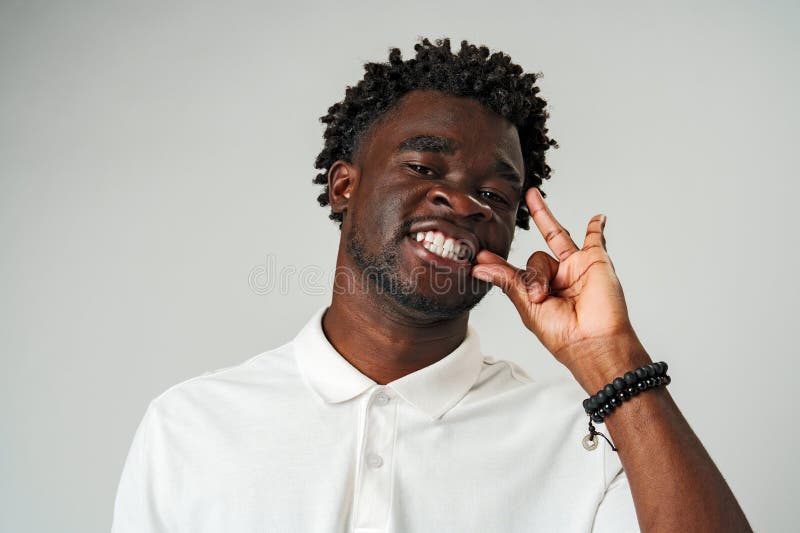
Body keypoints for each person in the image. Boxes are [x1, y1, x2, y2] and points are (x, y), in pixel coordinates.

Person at [111, 37, 752, 532]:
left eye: (495, 193)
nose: (463, 201)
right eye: (422, 164)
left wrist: (611, 355)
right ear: (344, 185)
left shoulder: (584, 436)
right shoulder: (191, 426)